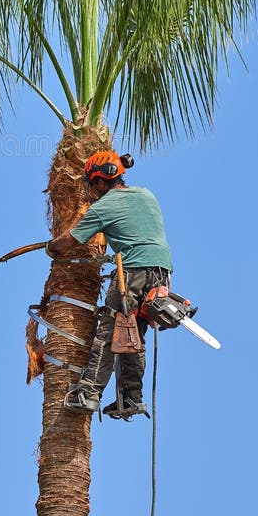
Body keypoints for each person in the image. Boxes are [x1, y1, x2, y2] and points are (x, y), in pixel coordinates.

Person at [46, 150, 172, 419]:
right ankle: (131, 398)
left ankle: (88, 392)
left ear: (101, 181)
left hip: (133, 272)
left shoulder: (105, 206)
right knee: (131, 335)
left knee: (110, 330)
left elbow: (71, 240)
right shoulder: (146, 195)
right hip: (161, 274)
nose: (92, 190)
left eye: (92, 184)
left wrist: (51, 247)